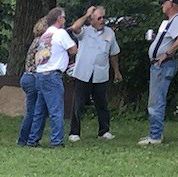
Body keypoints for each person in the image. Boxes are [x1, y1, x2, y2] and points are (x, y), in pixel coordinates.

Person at [25, 8, 78, 148]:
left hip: (40, 74)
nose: (65, 20)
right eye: (64, 17)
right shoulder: (60, 33)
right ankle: (56, 141)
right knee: (56, 110)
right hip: (53, 75)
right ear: (59, 19)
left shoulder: (45, 35)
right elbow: (73, 50)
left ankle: (33, 140)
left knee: (40, 111)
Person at [67, 6, 121, 139]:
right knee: (78, 104)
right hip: (83, 73)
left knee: (102, 104)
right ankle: (74, 132)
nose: (102, 20)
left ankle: (104, 131)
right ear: (91, 20)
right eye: (98, 18)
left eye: (103, 17)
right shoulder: (85, 31)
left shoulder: (109, 33)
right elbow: (74, 27)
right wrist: (86, 15)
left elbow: (113, 53)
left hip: (101, 74)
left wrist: (117, 71)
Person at [140, 0, 178, 145]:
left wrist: (166, 54)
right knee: (155, 100)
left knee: (156, 101)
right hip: (159, 65)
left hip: (163, 65)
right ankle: (154, 133)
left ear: (171, 3)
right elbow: (168, 40)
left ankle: (155, 136)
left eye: (163, 2)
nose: (162, 5)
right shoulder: (170, 22)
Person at [18, 14, 53, 146]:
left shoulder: (35, 41)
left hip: (27, 76)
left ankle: (25, 139)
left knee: (31, 110)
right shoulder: (42, 42)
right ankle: (26, 139)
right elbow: (44, 58)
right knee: (34, 111)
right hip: (33, 77)